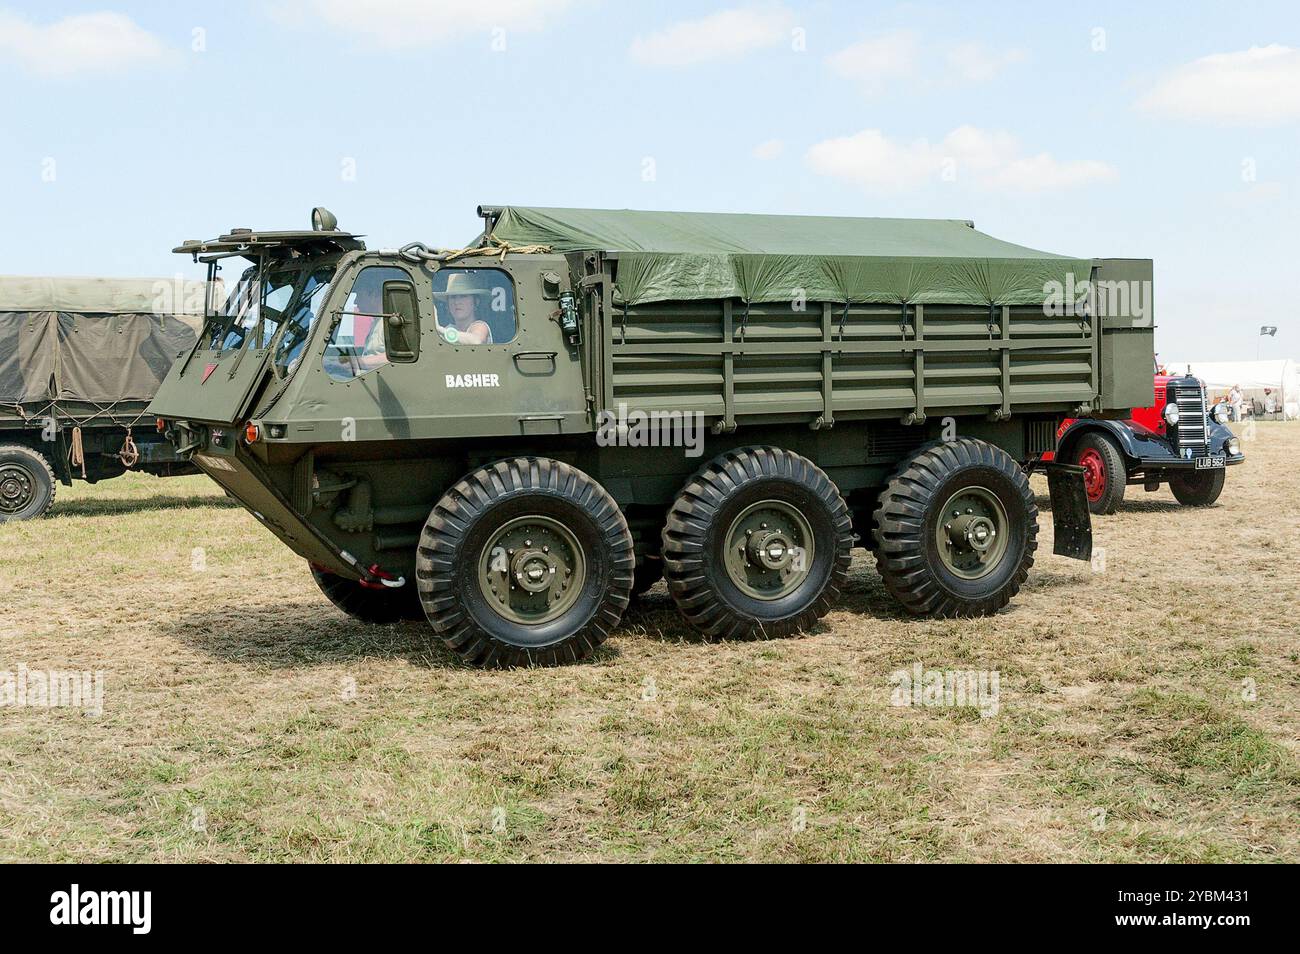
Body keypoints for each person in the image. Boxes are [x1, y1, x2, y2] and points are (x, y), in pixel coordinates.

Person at [435, 272, 493, 344]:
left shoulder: (480, 326)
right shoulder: (449, 329)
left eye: (463, 296)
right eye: (453, 297)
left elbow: (476, 341)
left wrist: (439, 329)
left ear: (476, 301)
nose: (457, 302)